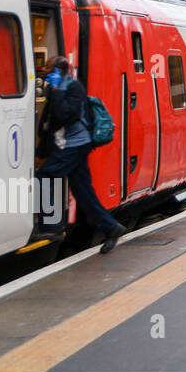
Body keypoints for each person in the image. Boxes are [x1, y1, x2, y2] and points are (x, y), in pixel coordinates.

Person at [31, 57, 128, 252]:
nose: (47, 74)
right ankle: (111, 227)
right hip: (68, 146)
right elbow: (50, 122)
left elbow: (66, 115)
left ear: (60, 71)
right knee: (83, 191)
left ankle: (52, 227)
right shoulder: (58, 89)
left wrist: (57, 91)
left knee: (44, 176)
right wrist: (42, 149)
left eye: (50, 71)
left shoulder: (73, 88)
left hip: (75, 145)